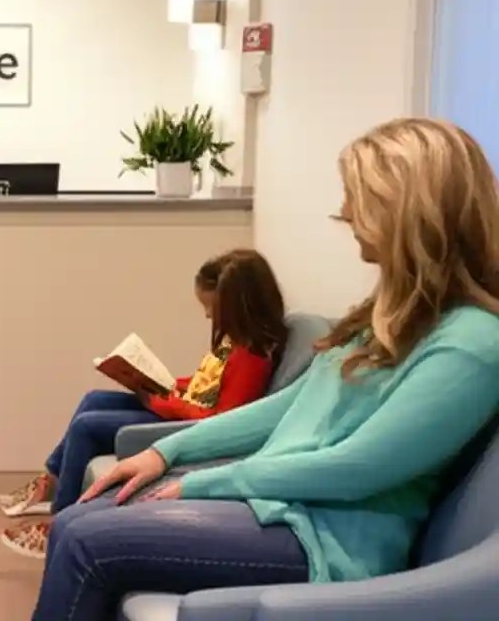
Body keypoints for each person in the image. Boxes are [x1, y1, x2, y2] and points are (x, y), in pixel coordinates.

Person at [29, 117, 499, 621]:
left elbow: (356, 469)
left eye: (359, 201)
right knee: (73, 519)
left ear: (409, 210)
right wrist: (166, 452)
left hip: (324, 537)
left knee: (85, 540)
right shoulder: (392, 314)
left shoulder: (471, 342)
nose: (344, 214)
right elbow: (289, 406)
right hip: (282, 506)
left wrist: (207, 483)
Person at [0, 249, 287, 559]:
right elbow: (206, 386)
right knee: (94, 400)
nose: (207, 316)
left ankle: (58, 521)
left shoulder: (252, 358)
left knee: (87, 427)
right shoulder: (235, 342)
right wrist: (163, 384)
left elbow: (221, 421)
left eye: (210, 308)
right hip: (179, 412)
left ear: (235, 304)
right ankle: (52, 480)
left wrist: (165, 403)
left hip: (186, 430)